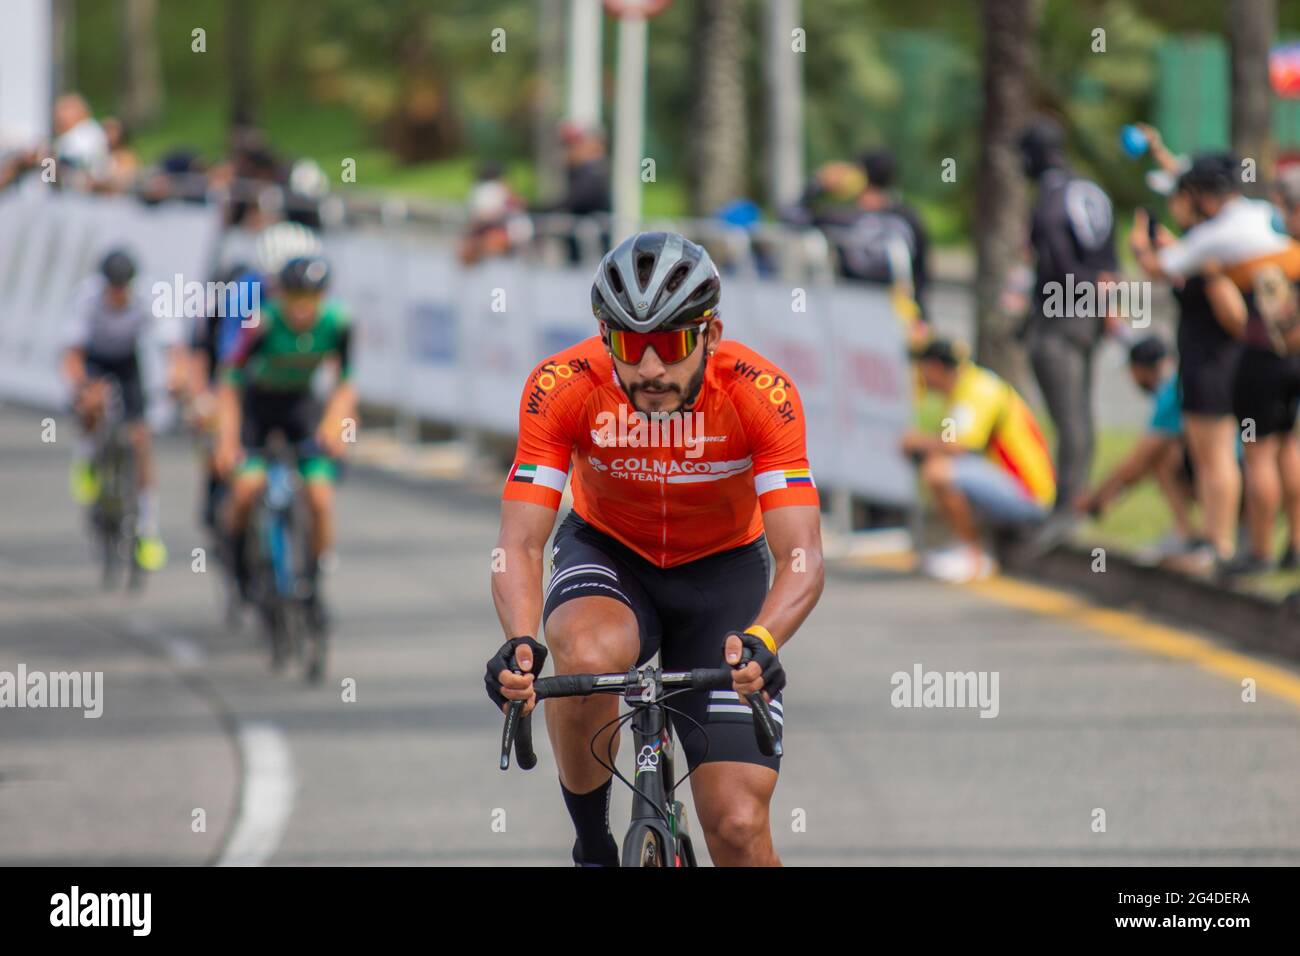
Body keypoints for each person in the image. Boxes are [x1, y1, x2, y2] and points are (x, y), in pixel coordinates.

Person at [486, 231, 824, 867]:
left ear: (710, 335)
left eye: (668, 345)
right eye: (627, 344)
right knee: (585, 652)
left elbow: (802, 555)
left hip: (723, 573)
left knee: (738, 826)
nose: (649, 369)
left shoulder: (761, 393)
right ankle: (592, 845)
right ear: (603, 336)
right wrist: (520, 640)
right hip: (609, 555)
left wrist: (767, 639)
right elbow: (519, 542)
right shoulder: (562, 385)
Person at [215, 254, 356, 630]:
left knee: (320, 496)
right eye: (294, 296)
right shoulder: (261, 325)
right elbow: (229, 383)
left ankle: (312, 582)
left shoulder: (337, 323)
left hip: (300, 408)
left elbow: (345, 382)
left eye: (310, 297)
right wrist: (227, 440)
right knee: (246, 487)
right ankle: (236, 561)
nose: (301, 306)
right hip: (257, 408)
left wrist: (336, 423)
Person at [1196, 168, 1300, 575]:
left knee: (1258, 456)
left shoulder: (1267, 253)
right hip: (1294, 365)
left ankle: (1259, 552)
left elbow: (1250, 315)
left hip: (1263, 361)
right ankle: (1294, 546)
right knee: (1291, 449)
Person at [63, 249, 186, 571]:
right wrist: (82, 386)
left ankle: (146, 527)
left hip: (128, 364)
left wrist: (175, 378)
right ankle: (87, 460)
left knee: (141, 440)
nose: (118, 294)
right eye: (113, 287)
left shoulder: (145, 295)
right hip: (95, 360)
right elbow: (72, 354)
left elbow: (171, 346)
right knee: (91, 406)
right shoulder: (87, 298)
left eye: (123, 287)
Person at [1018, 117, 1118, 516]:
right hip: (1089, 312)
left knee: (1069, 413)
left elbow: (1051, 261)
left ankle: (1068, 503)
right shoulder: (1090, 189)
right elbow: (1106, 262)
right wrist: (1108, 309)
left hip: (1061, 316)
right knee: (1080, 408)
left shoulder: (1049, 199)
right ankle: (1074, 494)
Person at [901, 338, 1056, 583]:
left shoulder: (978, 389)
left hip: (1028, 493)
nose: (920, 377)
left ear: (934, 367)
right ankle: (965, 546)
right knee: (938, 467)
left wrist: (917, 442)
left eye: (922, 369)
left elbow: (959, 446)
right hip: (1012, 486)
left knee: (938, 471)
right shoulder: (963, 388)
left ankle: (974, 555)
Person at [1074, 337, 1200, 556]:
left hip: (1223, 475)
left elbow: (1138, 460)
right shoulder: (1177, 386)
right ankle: (1185, 533)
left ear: (1140, 369)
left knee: (1161, 458)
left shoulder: (1170, 394)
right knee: (1161, 456)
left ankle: (1186, 534)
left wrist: (1099, 497)